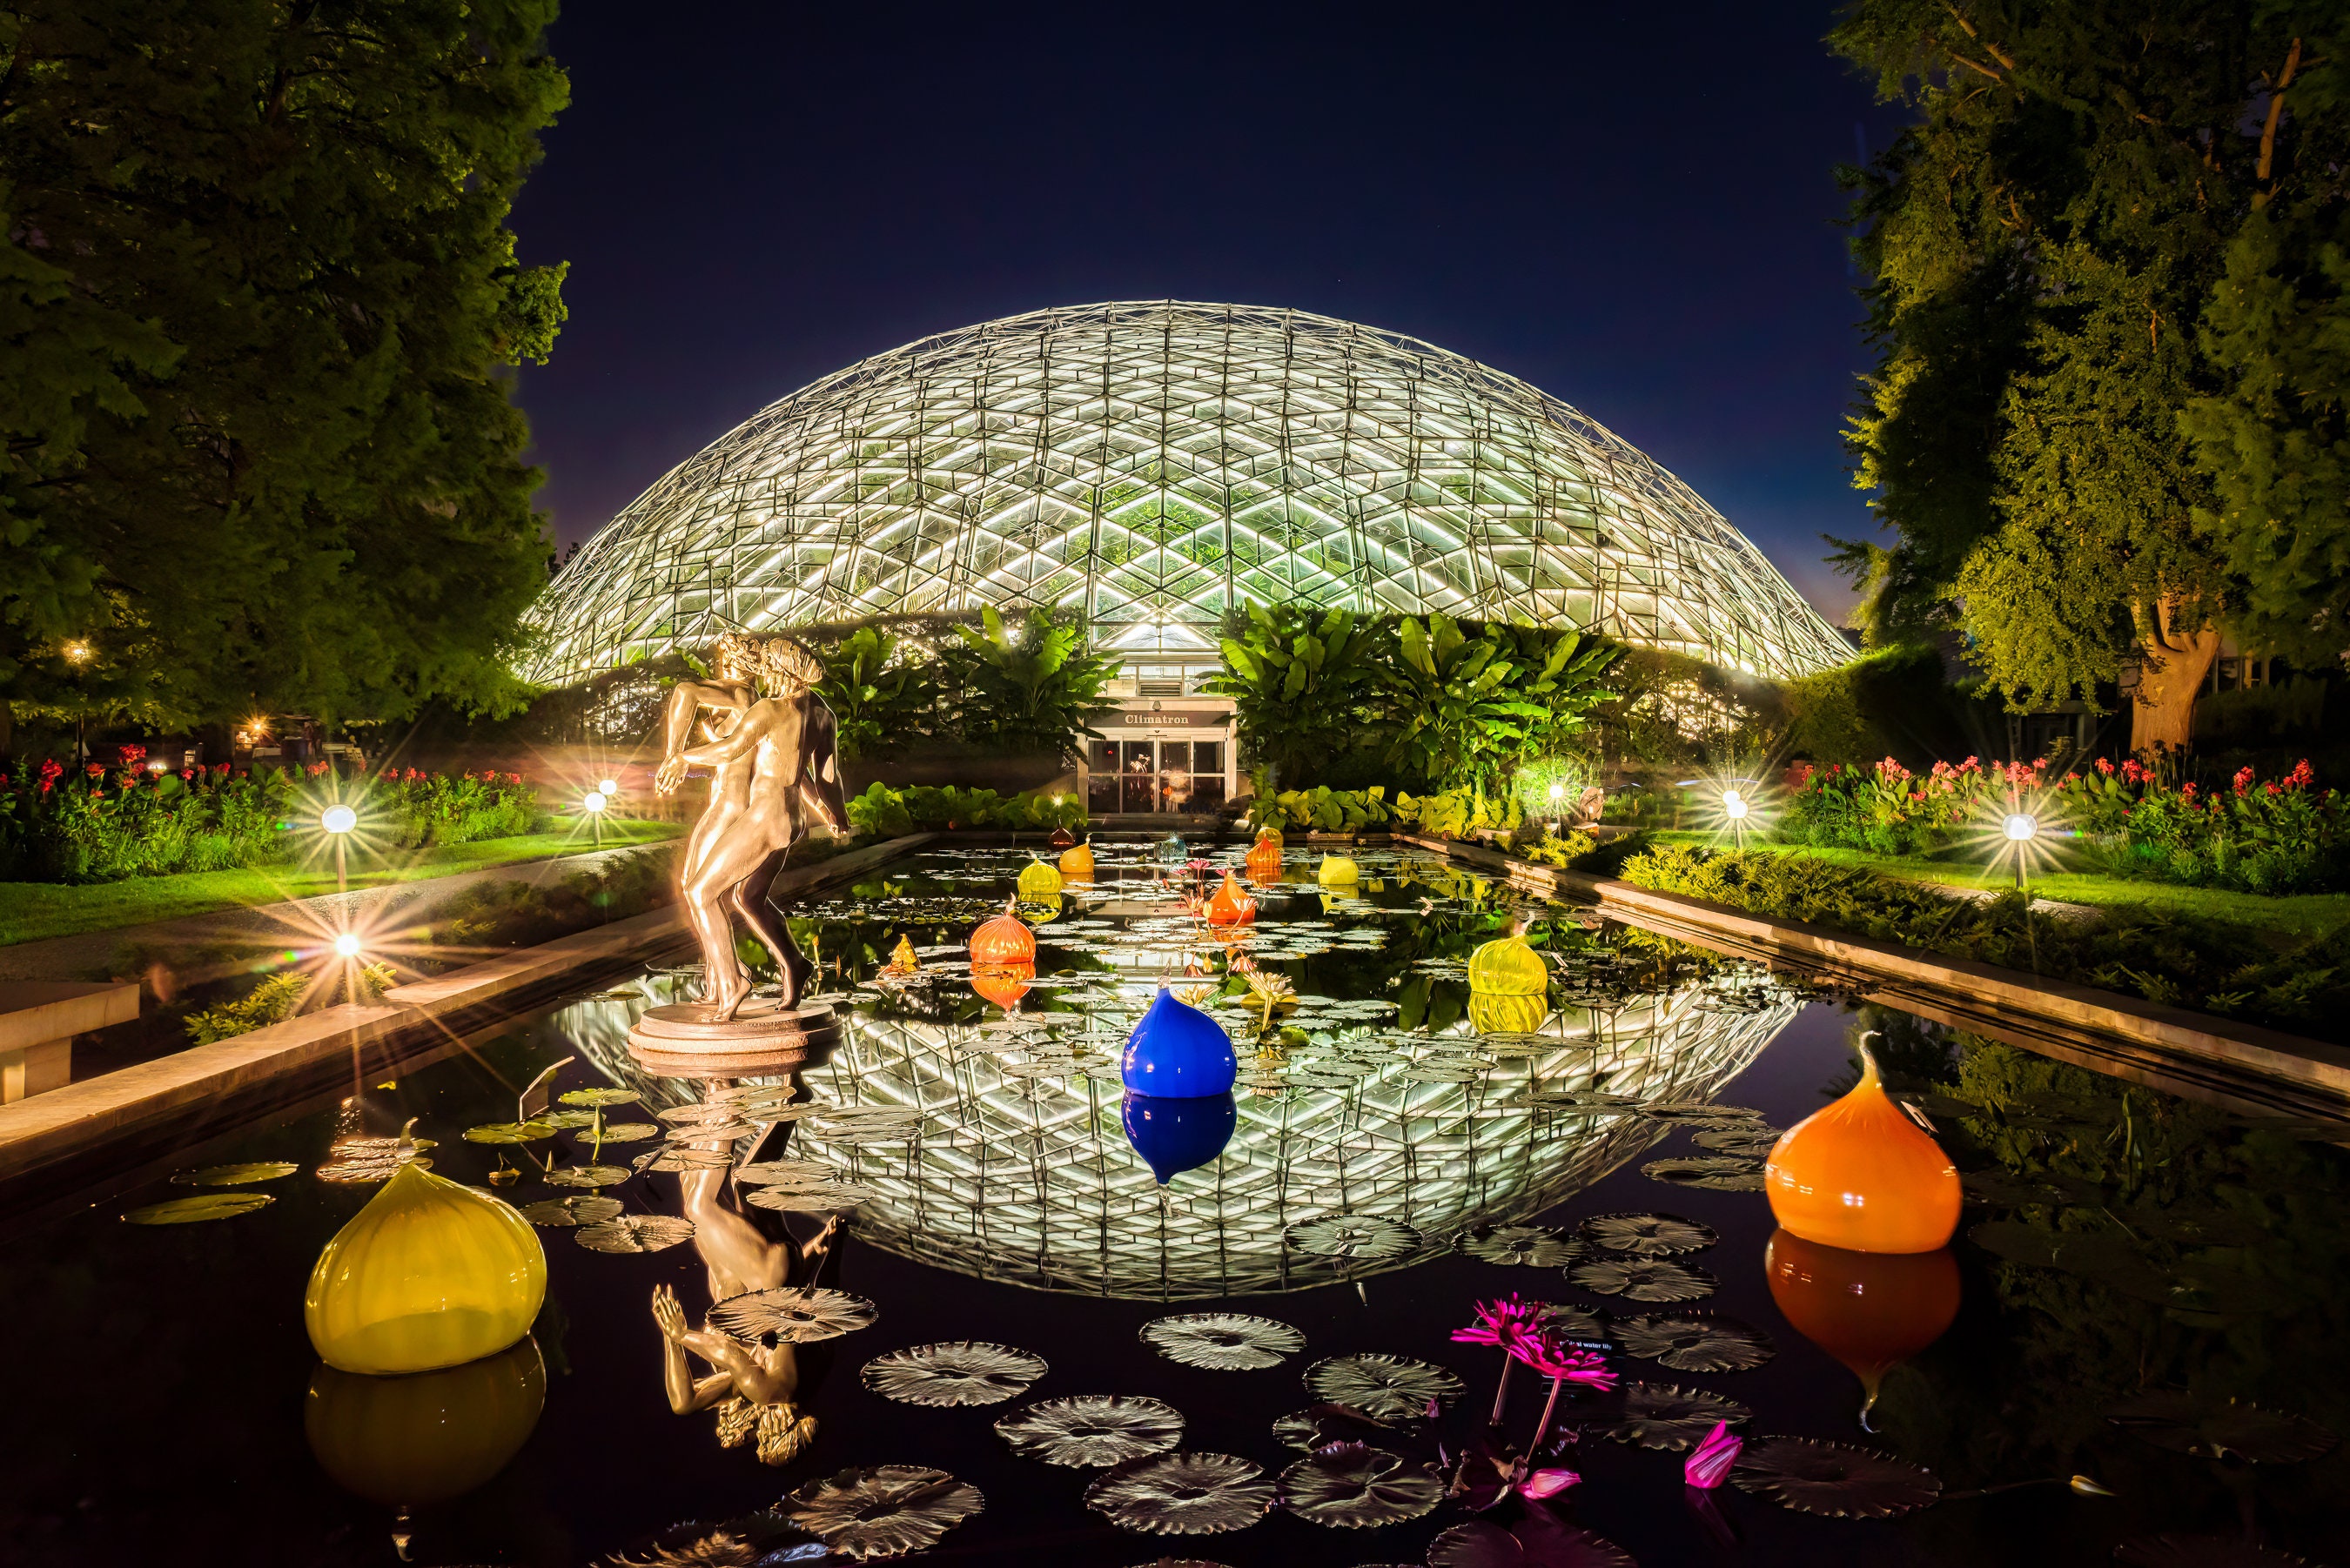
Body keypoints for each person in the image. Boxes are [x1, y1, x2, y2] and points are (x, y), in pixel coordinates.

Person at [655, 637, 848, 1017]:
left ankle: (731, 983)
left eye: (768, 666)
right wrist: (836, 813)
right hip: (792, 820)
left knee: (700, 894)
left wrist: (681, 756)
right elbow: (826, 774)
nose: (763, 672)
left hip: (765, 816)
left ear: (779, 670)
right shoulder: (823, 713)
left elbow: (730, 749)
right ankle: (795, 963)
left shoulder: (770, 709)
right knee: (748, 899)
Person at [649, 1085, 841, 1465]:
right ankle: (728, 1104)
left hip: (773, 1269)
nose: (748, 1429)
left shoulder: (773, 1385)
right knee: (699, 1206)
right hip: (766, 1276)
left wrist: (820, 1251)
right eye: (760, 1438)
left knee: (738, 1184)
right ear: (774, 1429)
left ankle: (759, 1099)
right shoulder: (767, 1391)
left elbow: (683, 1404)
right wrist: (680, 1335)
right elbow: (729, 1352)